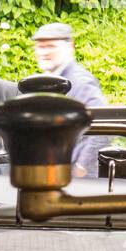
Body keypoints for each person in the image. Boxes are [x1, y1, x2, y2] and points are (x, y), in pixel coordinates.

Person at [32, 22, 108, 176]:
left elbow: (103, 127)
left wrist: (82, 168)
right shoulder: (52, 80)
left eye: (51, 46)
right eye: (40, 47)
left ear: (70, 47)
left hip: (76, 180)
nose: (44, 52)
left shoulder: (79, 82)